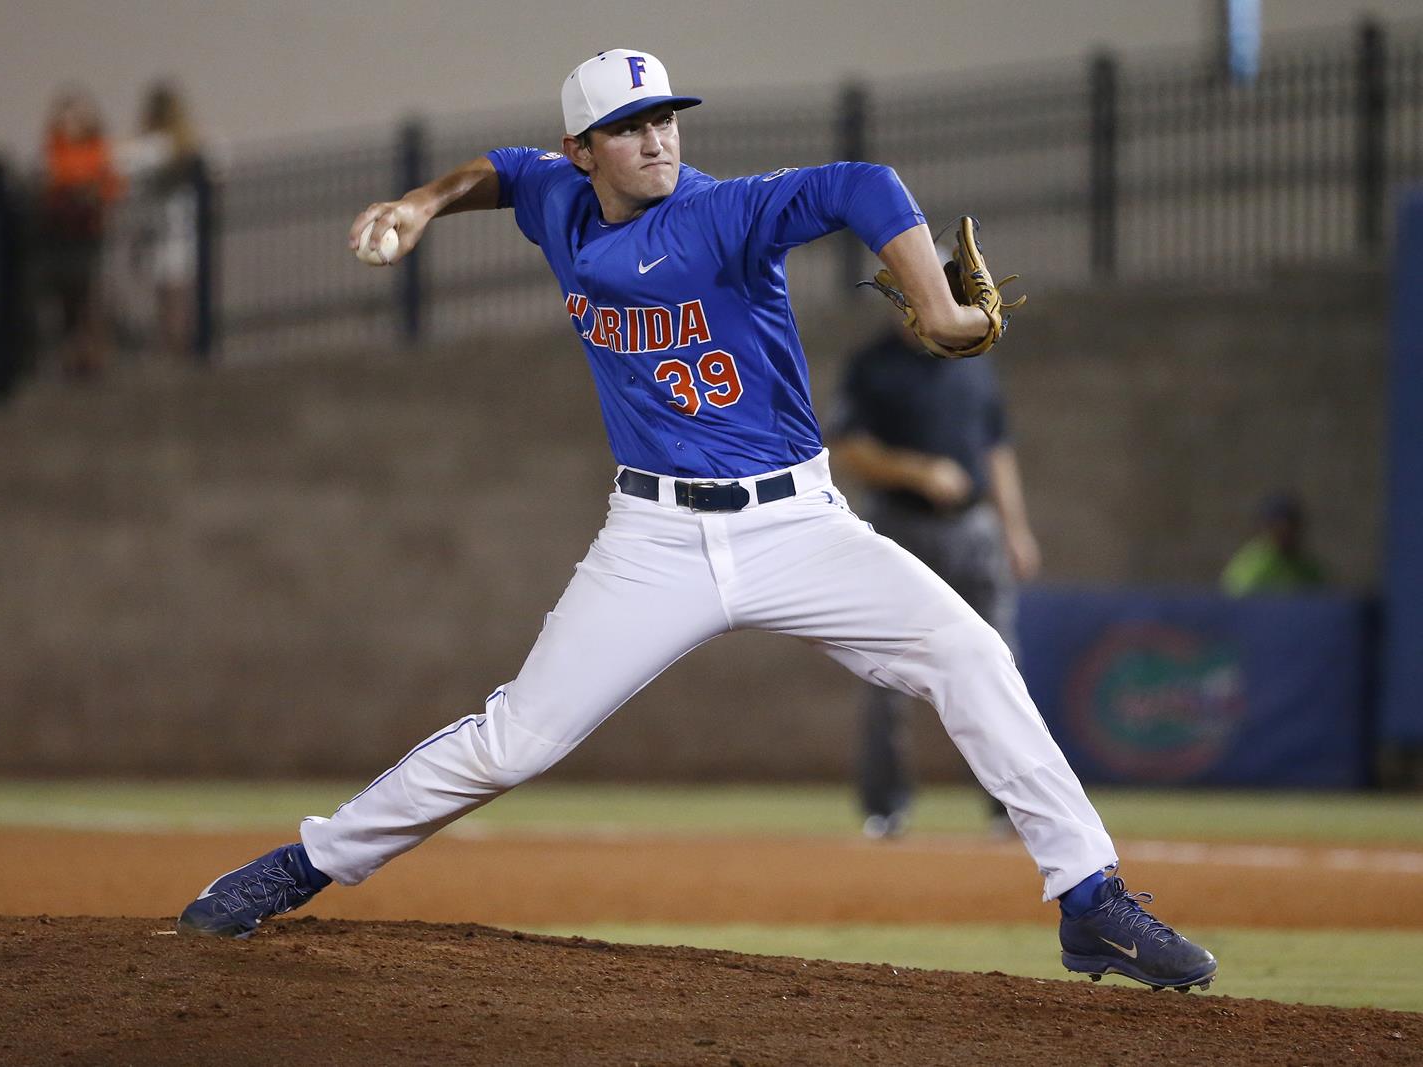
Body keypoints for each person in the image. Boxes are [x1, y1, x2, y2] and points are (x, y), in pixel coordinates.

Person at [176, 48, 1216, 992]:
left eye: (665, 117)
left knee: (970, 653)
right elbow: (498, 172)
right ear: (582, 151)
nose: (656, 139)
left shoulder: (721, 213)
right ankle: (301, 864)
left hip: (796, 525)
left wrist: (936, 307)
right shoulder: (557, 197)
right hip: (654, 538)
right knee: (515, 740)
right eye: (629, 127)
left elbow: (863, 184)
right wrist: (416, 204)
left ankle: (1089, 899)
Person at [830, 322, 1041, 839]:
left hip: (975, 527)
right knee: (886, 671)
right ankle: (886, 807)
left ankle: (1014, 807)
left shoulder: (973, 360)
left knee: (1000, 664)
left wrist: (1015, 528)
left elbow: (996, 449)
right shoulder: (874, 364)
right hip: (900, 527)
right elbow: (846, 447)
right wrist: (919, 472)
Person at [37, 86, 121, 379]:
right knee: (66, 298)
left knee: (88, 295)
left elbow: (110, 184)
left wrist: (92, 193)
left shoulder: (97, 147)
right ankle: (71, 355)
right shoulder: (55, 147)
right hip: (61, 235)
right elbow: (53, 181)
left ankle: (92, 354)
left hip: (87, 232)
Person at [116, 80, 202, 360]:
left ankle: (178, 346)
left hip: (171, 232)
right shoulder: (176, 145)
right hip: (171, 231)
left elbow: (124, 162)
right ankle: (178, 345)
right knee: (175, 295)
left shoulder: (162, 147)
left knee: (173, 296)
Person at [1221, 491, 1326, 595]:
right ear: (1266, 528)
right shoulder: (1249, 568)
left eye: (1291, 526)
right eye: (1278, 527)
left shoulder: (1309, 569)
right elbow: (1233, 599)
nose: (1285, 533)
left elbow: (1325, 597)